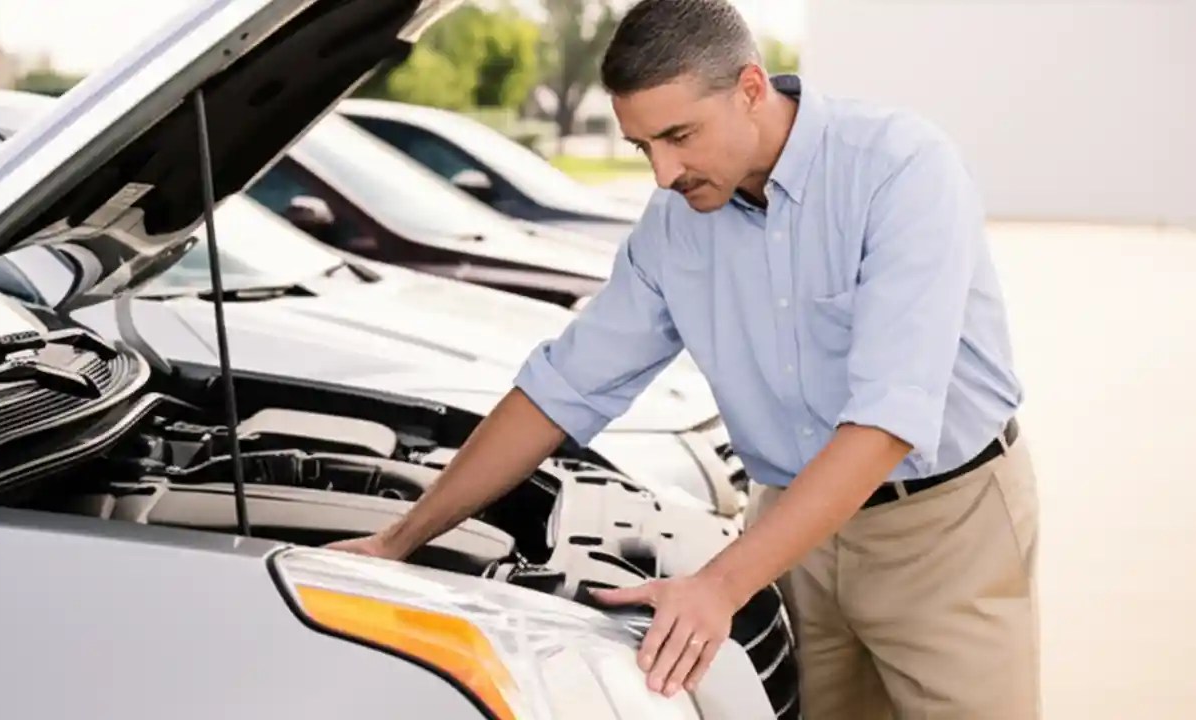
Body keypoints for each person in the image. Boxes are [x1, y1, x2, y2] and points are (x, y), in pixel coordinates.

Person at [327, 0, 1040, 716]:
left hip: (943, 527)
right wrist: (400, 539)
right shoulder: (675, 226)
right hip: (789, 530)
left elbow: (887, 420)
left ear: (751, 90)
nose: (664, 173)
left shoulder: (898, 171)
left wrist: (721, 586)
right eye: (643, 147)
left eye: (679, 136)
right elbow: (560, 388)